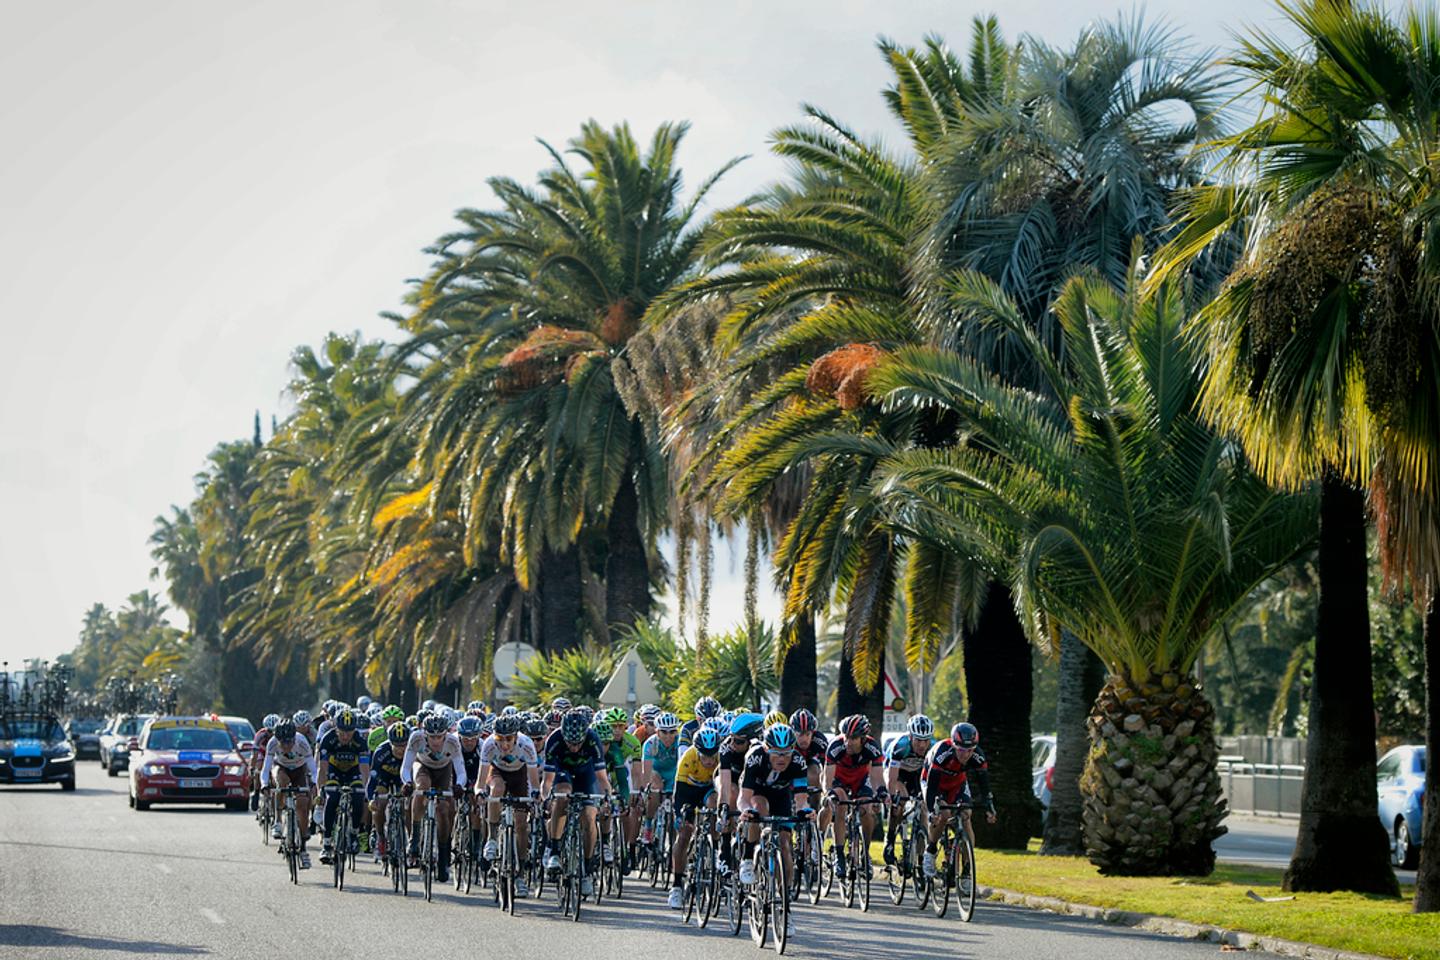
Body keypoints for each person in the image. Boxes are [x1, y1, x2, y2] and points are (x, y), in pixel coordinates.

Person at [737, 723, 811, 935]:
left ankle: (785, 905)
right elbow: (743, 798)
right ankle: (748, 859)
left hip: (781, 797)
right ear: (767, 749)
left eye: (786, 754)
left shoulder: (798, 762)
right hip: (757, 792)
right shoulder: (755, 757)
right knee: (758, 809)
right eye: (777, 753)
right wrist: (745, 810)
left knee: (786, 845)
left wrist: (805, 810)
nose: (782, 759)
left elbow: (801, 798)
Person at [541, 707, 612, 896]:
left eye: (577, 743)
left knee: (589, 816)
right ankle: (555, 851)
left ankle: (587, 871)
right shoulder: (554, 740)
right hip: (562, 773)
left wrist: (607, 799)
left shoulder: (592, 739)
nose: (573, 747)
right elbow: (547, 781)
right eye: (569, 742)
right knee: (562, 796)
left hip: (586, 775)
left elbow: (602, 778)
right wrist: (546, 798)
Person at [921, 721, 996, 894]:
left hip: (957, 783)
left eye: (970, 750)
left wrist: (989, 807)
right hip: (934, 782)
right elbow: (931, 787)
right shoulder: (942, 753)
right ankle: (930, 850)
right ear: (954, 745)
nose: (966, 754)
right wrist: (932, 811)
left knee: (966, 815)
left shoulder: (978, 756)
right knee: (944, 813)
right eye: (961, 750)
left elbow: (985, 785)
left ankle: (967, 872)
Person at [401, 713, 468, 883]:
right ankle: (415, 839)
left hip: (444, 771)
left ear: (445, 734)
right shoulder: (416, 738)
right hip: (422, 766)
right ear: (425, 735)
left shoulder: (453, 741)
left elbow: (461, 771)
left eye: (440, 737)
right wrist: (407, 783)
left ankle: (444, 856)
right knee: (422, 786)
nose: (436, 741)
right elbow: (406, 766)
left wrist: (459, 786)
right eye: (432, 737)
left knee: (444, 810)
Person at [479, 713, 540, 896]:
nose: (504, 744)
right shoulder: (489, 745)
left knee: (521, 825)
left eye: (509, 739)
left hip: (519, 777)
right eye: (500, 739)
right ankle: (492, 838)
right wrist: (479, 792)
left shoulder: (527, 745)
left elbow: (534, 782)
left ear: (516, 736)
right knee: (496, 789)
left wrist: (536, 796)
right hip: (497, 772)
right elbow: (481, 781)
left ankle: (520, 875)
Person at [823, 713, 885, 881]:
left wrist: (881, 793)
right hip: (839, 780)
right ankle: (839, 855)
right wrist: (829, 794)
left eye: (853, 738)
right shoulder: (836, 746)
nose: (848, 742)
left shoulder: (873, 747)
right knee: (841, 804)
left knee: (867, 808)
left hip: (861, 780)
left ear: (863, 739)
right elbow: (827, 779)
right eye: (847, 737)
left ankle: (865, 853)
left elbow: (878, 777)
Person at [667, 725, 722, 908]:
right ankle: (676, 885)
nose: (708, 760)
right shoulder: (688, 757)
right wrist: (679, 816)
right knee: (683, 835)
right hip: (688, 792)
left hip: (708, 790)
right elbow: (679, 793)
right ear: (697, 752)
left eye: (712, 755)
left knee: (715, 804)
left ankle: (714, 848)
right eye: (704, 756)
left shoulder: (721, 758)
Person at [316, 708, 370, 865]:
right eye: (342, 732)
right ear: (336, 728)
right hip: (334, 772)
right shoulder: (328, 739)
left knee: (359, 797)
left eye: (350, 732)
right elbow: (323, 768)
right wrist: (321, 789)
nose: (346, 736)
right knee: (332, 799)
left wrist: (365, 790)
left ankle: (354, 832)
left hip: (353, 772)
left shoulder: (360, 741)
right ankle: (326, 843)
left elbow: (365, 769)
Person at [259, 720, 317, 868]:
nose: (285, 746)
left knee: (303, 805)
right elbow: (266, 768)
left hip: (299, 770)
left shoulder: (302, 742)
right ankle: (278, 821)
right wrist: (264, 785)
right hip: (281, 767)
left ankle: (303, 848)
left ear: (294, 739)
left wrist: (315, 784)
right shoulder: (272, 743)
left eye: (289, 742)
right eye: (282, 743)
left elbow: (313, 768)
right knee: (281, 782)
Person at [883, 714, 934, 865]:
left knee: (924, 807)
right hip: (897, 773)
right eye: (918, 740)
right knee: (901, 799)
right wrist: (893, 799)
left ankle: (920, 857)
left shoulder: (933, 747)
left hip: (917, 774)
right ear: (910, 736)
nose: (922, 745)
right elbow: (892, 779)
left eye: (926, 740)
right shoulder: (901, 746)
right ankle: (890, 839)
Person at [595, 707, 642, 867]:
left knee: (625, 811)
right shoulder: (596, 741)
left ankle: (626, 849)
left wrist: (631, 795)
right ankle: (602, 841)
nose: (617, 730)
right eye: (613, 726)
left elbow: (635, 773)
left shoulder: (632, 742)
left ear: (626, 726)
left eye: (620, 726)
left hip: (619, 771)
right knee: (602, 806)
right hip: (600, 774)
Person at [366, 722, 409, 860]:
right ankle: (381, 837)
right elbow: (372, 780)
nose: (401, 750)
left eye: (404, 745)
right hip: (384, 779)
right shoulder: (381, 752)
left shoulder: (412, 751)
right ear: (390, 743)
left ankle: (410, 839)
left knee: (407, 806)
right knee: (380, 803)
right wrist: (372, 799)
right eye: (397, 746)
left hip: (403, 779)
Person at [640, 712, 681, 844]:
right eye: (664, 732)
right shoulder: (650, 744)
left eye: (672, 732)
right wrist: (646, 790)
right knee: (655, 789)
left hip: (673, 773)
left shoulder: (680, 742)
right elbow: (646, 772)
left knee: (675, 804)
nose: (668, 736)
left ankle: (673, 841)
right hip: (656, 771)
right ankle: (648, 825)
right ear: (657, 732)